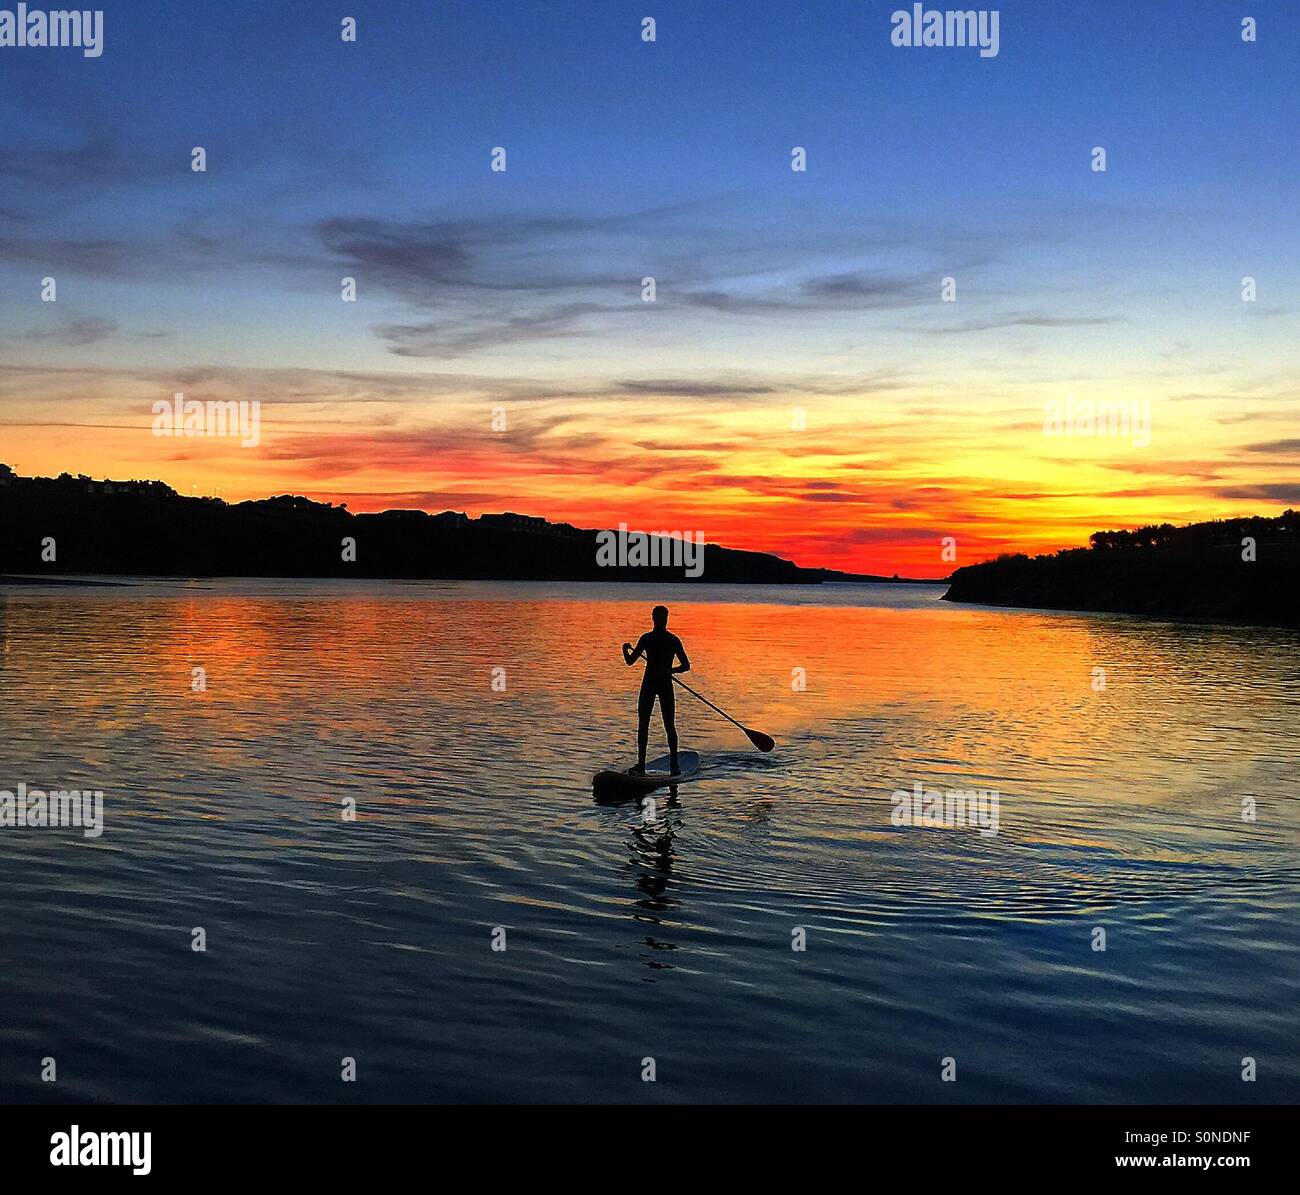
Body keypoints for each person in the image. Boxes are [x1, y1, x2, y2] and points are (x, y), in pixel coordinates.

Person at [622, 605, 690, 774]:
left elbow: (686, 665)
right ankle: (641, 765)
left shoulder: (673, 640)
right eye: (658, 617)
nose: (661, 621)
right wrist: (625, 650)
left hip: (665, 685)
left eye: (664, 618)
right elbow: (630, 661)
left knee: (669, 725)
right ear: (653, 618)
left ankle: (674, 765)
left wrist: (670, 670)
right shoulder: (646, 638)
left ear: (667, 619)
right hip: (649, 684)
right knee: (643, 724)